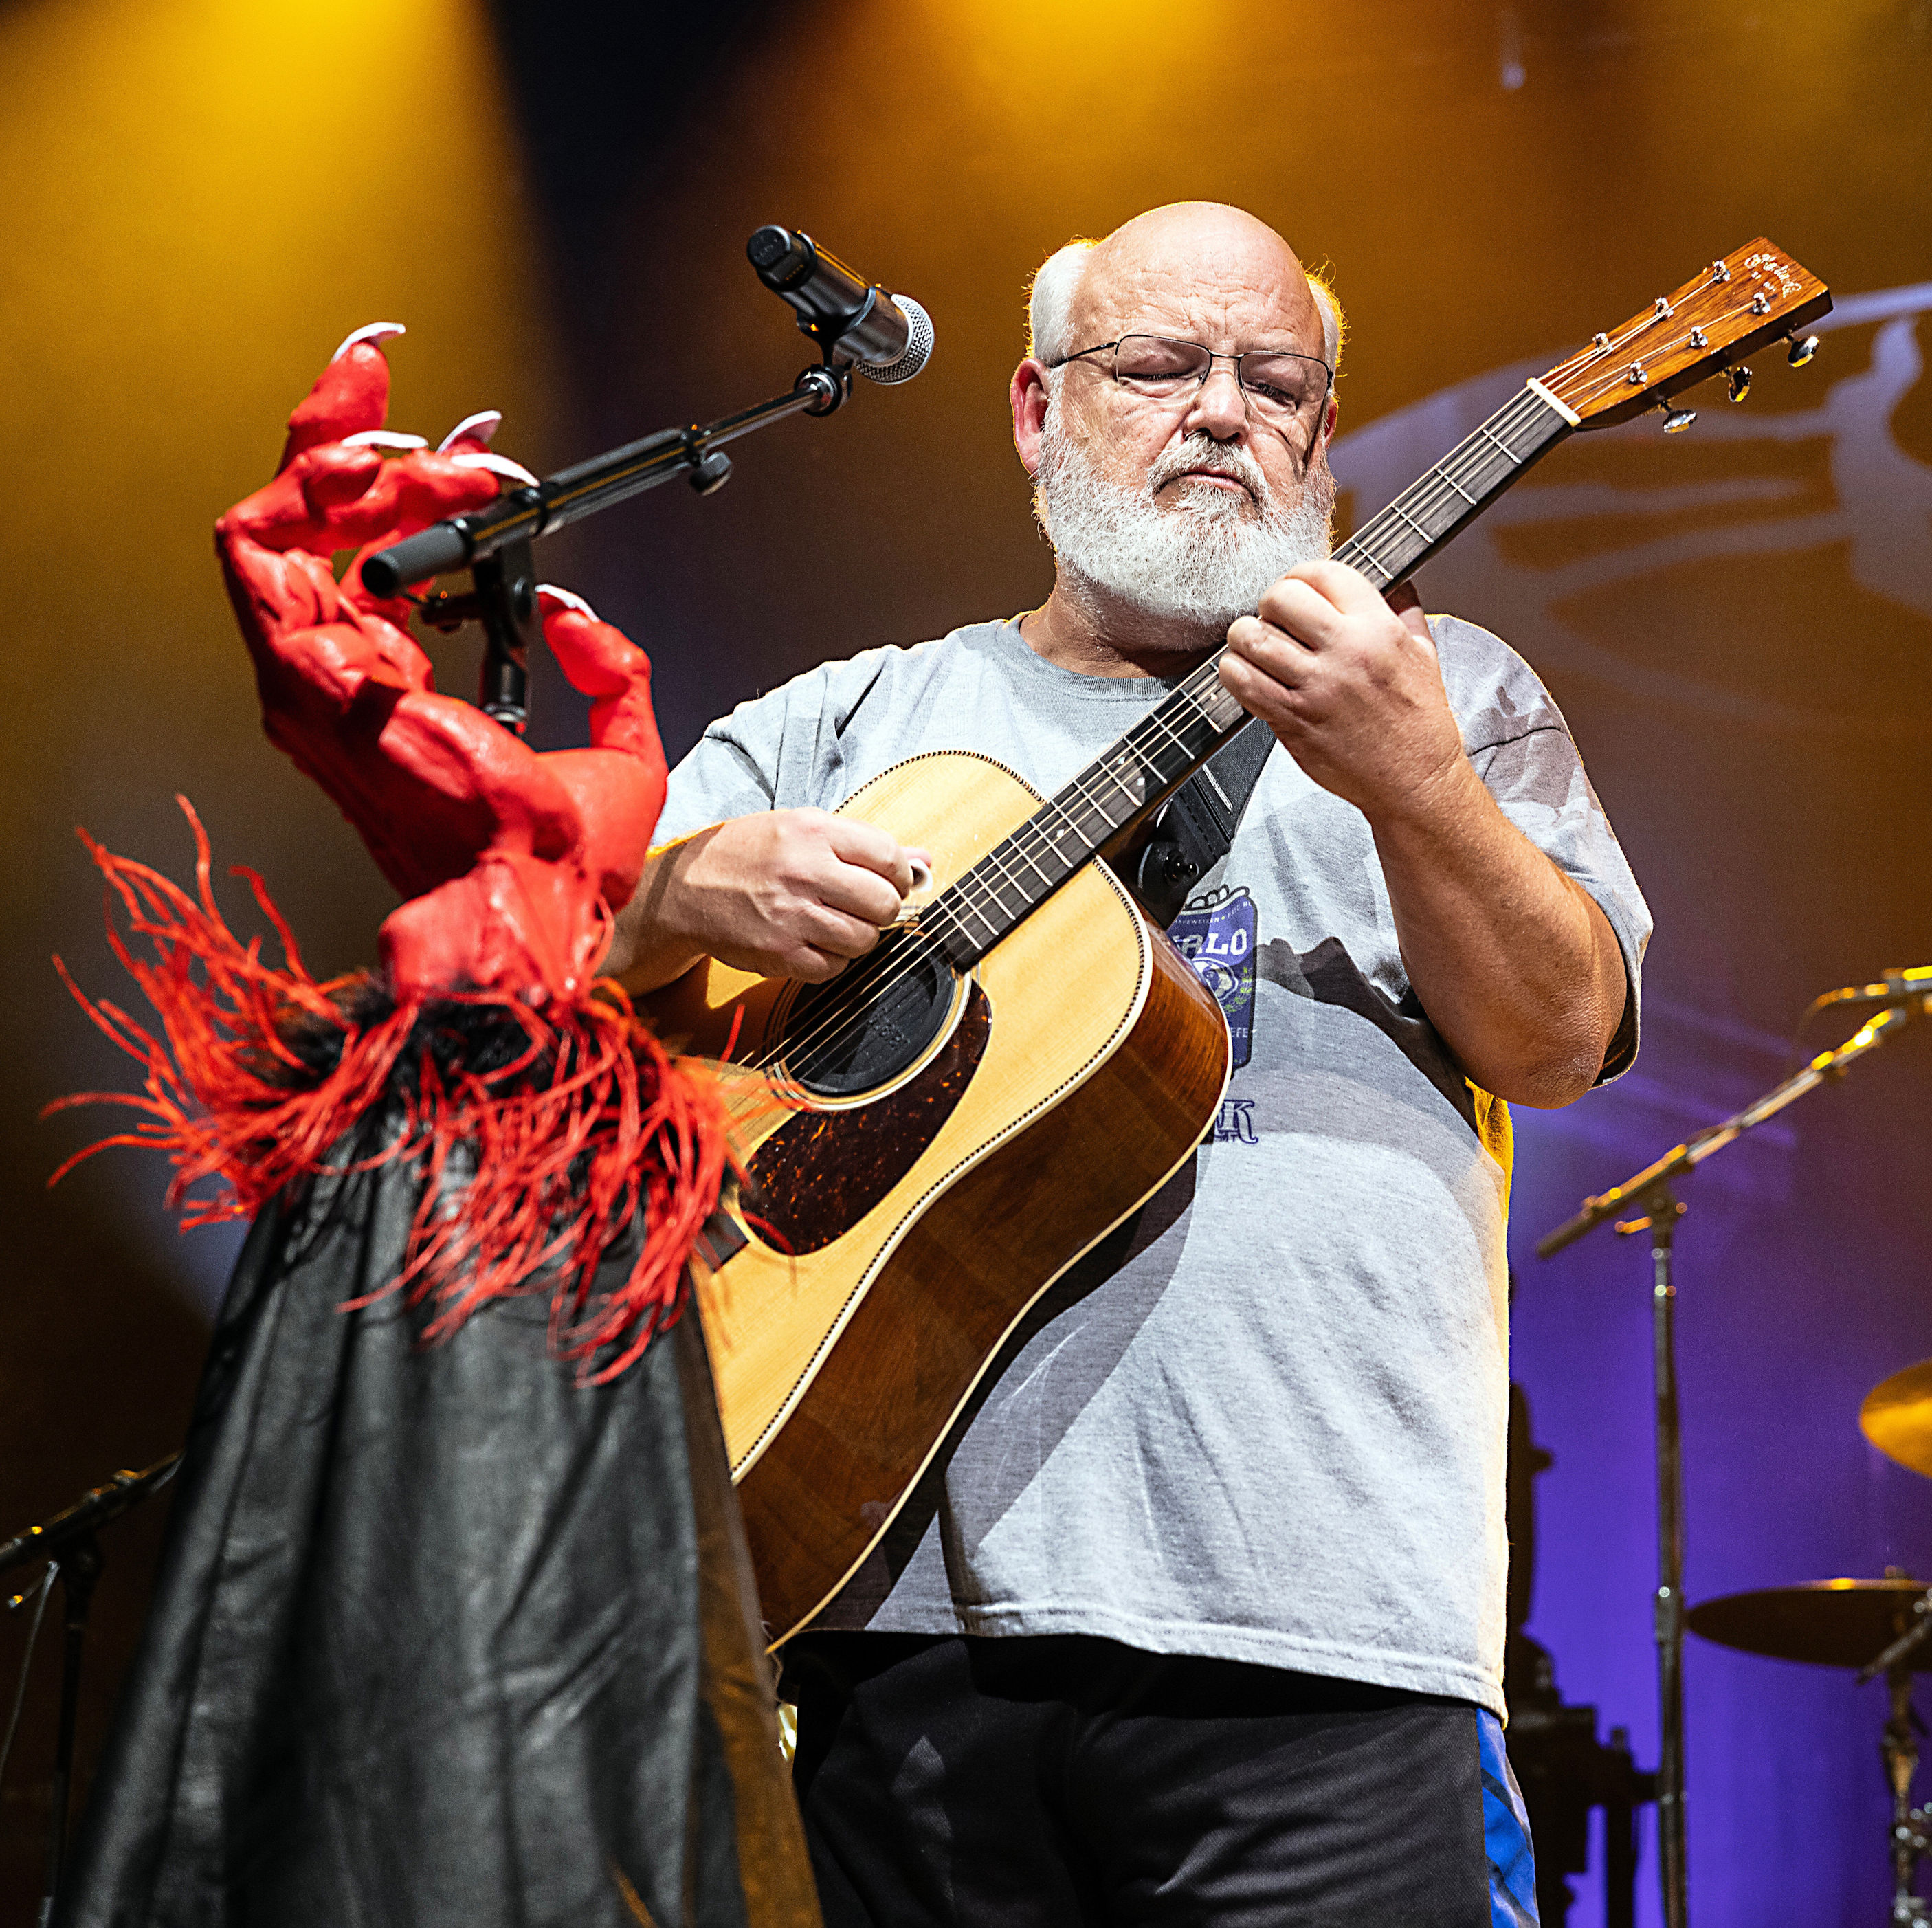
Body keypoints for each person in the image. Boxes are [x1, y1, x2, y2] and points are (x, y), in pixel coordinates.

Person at [604, 202, 1648, 1927]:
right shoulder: (854, 718)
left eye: (1275, 381)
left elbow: (1556, 1036)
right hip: (894, 1626)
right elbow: (518, 969)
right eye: (1157, 366)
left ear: (1322, 431)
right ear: (1034, 409)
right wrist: (672, 890)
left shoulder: (1442, 688)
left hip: (1325, 1631)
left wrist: (1414, 781)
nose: (1220, 411)